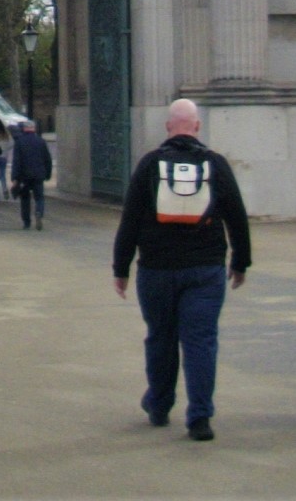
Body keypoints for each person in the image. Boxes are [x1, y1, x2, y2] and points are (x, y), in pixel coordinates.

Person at [111, 98, 252, 443]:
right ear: (198, 128)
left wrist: (121, 267)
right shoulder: (215, 164)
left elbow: (129, 220)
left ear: (168, 128)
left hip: (156, 268)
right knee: (200, 341)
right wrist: (240, 262)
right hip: (205, 268)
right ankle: (200, 417)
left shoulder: (149, 165)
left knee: (160, 337)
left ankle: (159, 404)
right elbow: (236, 216)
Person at [11, 118, 53, 229]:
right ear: (34, 129)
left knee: (25, 199)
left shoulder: (19, 142)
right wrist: (48, 174)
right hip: (39, 174)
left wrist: (15, 178)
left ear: (24, 129)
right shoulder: (41, 141)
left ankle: (26, 222)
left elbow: (17, 161)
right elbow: (47, 159)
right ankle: (39, 212)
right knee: (39, 197)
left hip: (24, 176)